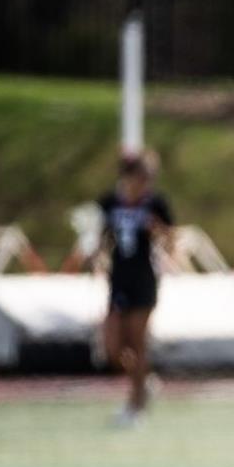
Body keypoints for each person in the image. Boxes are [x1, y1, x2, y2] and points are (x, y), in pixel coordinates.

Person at [93, 150, 173, 428]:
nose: (146, 182)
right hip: (119, 279)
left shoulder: (156, 205)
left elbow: (172, 241)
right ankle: (144, 380)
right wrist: (95, 256)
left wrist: (158, 231)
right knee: (113, 347)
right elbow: (103, 237)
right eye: (142, 176)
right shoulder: (110, 203)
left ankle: (135, 405)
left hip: (144, 279)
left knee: (137, 341)